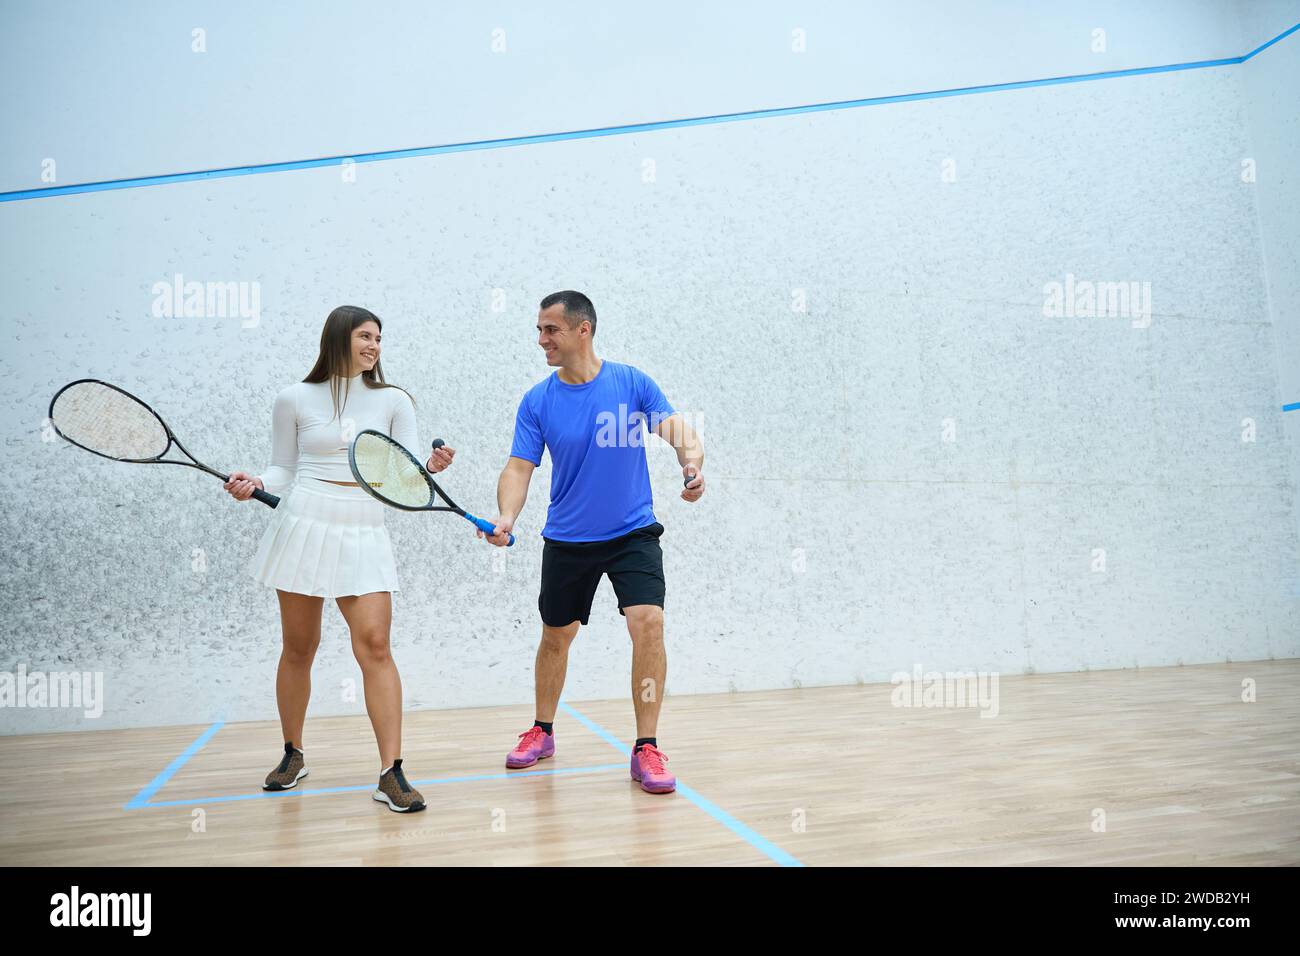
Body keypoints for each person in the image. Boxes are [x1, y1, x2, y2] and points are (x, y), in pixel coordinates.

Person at [224, 305, 454, 812]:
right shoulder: (294, 398)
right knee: (299, 648)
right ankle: (292, 753)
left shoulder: (394, 400)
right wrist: (258, 484)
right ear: (338, 339)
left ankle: (391, 772)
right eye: (364, 336)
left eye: (379, 338)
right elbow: (282, 469)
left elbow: (404, 476)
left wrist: (430, 468)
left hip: (363, 525)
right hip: (303, 520)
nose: (374, 346)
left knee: (375, 646)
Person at [479, 291, 704, 794]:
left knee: (649, 622)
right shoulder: (538, 399)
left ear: (583, 330)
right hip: (567, 538)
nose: (541, 340)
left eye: (550, 330)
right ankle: (542, 730)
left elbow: (680, 432)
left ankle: (646, 745)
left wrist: (691, 465)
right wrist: (507, 515)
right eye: (539, 330)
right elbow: (519, 466)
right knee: (557, 635)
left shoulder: (631, 383)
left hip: (632, 533)